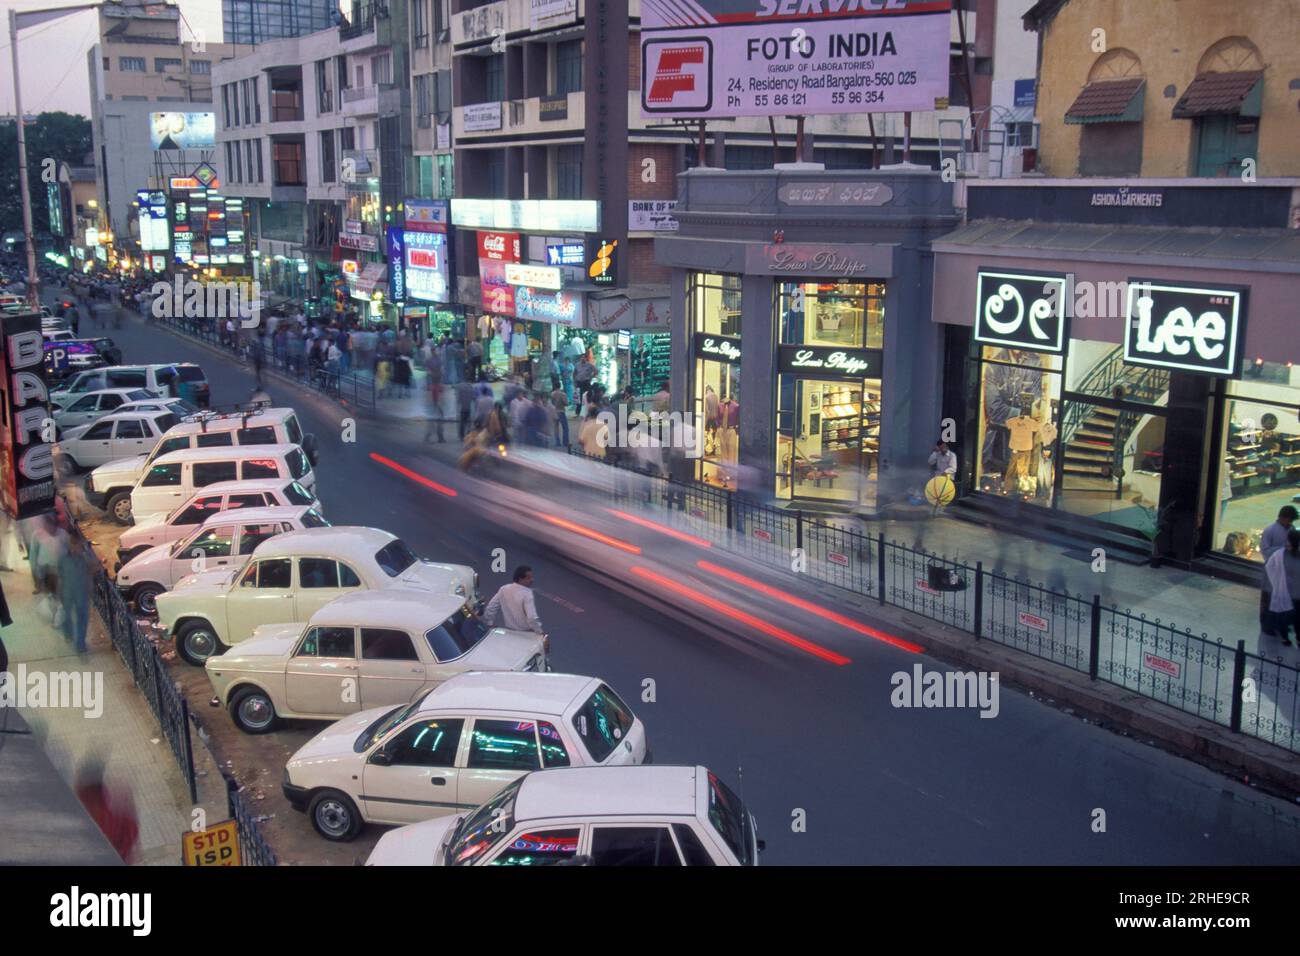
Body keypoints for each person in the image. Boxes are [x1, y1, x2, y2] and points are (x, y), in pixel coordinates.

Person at [1260, 505, 1297, 637]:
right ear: (1282, 517)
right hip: (1272, 571)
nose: (1290, 523)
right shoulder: (1270, 530)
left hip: (1285, 572)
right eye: (1289, 519)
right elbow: (1264, 550)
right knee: (1270, 600)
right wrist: (1282, 549)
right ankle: (1267, 626)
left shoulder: (1292, 530)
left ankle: (1281, 624)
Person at [1263, 528, 1300, 646]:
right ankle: (1285, 637)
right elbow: (1270, 567)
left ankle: (1298, 638)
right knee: (1283, 616)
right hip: (1284, 592)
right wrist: (1276, 582)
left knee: (1298, 618)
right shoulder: (1279, 555)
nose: (1287, 543)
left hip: (1297, 593)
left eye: (1290, 541)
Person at [482, 565, 544, 633]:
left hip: (509, 631)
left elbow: (491, 607)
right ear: (520, 579)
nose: (532, 580)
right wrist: (539, 631)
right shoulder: (527, 594)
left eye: (532, 577)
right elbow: (532, 617)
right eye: (528, 578)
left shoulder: (504, 589)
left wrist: (490, 623)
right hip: (527, 633)